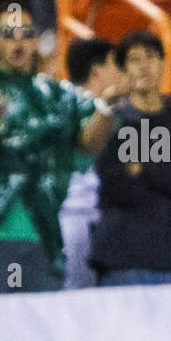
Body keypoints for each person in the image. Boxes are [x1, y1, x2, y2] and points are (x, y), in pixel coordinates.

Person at [0, 6, 121, 294]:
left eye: (26, 34)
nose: (18, 42)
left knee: (34, 336)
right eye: (9, 34)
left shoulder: (56, 95)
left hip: (43, 239)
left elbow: (87, 144)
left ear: (36, 42)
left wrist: (106, 107)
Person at [90, 31, 171, 285]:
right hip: (125, 262)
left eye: (152, 57)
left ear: (164, 65)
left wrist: (142, 167)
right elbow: (115, 189)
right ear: (123, 70)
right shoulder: (111, 125)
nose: (144, 66)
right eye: (134, 59)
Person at [60, 37, 120, 289]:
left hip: (96, 221)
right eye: (116, 66)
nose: (122, 73)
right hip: (73, 219)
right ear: (97, 71)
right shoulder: (66, 105)